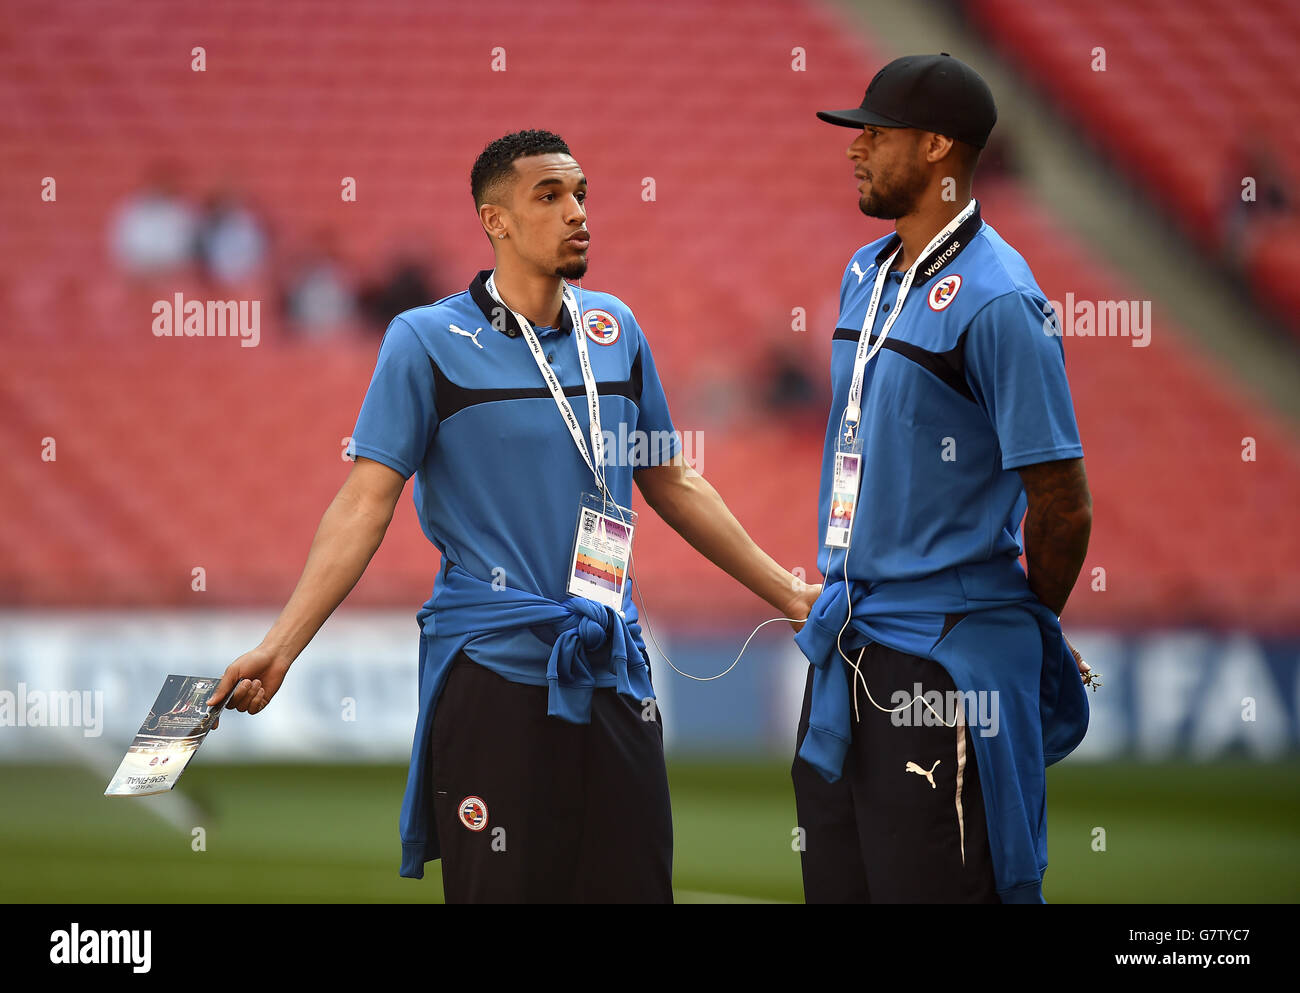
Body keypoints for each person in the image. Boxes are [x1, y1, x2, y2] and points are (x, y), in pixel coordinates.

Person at [206, 129, 818, 903]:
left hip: (611, 664)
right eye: (550, 195)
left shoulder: (615, 329)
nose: (577, 212)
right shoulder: (425, 341)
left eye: (582, 194)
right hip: (494, 673)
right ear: (495, 221)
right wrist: (281, 645)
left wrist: (790, 593)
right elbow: (365, 500)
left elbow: (672, 478)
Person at [793, 54, 1095, 904]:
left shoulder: (1001, 301)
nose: (855, 149)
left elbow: (1062, 504)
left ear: (936, 148)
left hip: (943, 662)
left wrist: (1012, 619)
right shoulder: (867, 269)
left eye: (874, 134)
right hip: (853, 646)